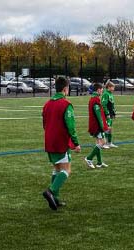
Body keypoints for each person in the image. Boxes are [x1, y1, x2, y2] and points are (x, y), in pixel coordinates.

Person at [41, 77, 82, 211]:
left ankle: (55, 199)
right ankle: (51, 191)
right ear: (65, 89)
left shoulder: (47, 104)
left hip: (49, 141)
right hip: (60, 142)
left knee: (56, 169)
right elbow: (71, 126)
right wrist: (76, 143)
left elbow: (44, 123)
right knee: (66, 170)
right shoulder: (66, 104)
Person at [84, 83, 110, 169]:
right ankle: (89, 158)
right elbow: (98, 115)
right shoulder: (95, 100)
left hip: (96, 125)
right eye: (102, 89)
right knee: (102, 142)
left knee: (98, 143)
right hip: (97, 126)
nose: (102, 90)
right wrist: (103, 126)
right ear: (98, 89)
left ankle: (99, 162)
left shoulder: (94, 99)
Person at [101, 82, 118, 148]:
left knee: (110, 128)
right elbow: (104, 105)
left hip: (110, 114)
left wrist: (113, 112)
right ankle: (104, 144)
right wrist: (107, 113)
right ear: (108, 87)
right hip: (106, 114)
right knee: (106, 128)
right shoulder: (105, 94)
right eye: (112, 87)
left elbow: (112, 105)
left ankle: (109, 143)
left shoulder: (110, 94)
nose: (113, 88)